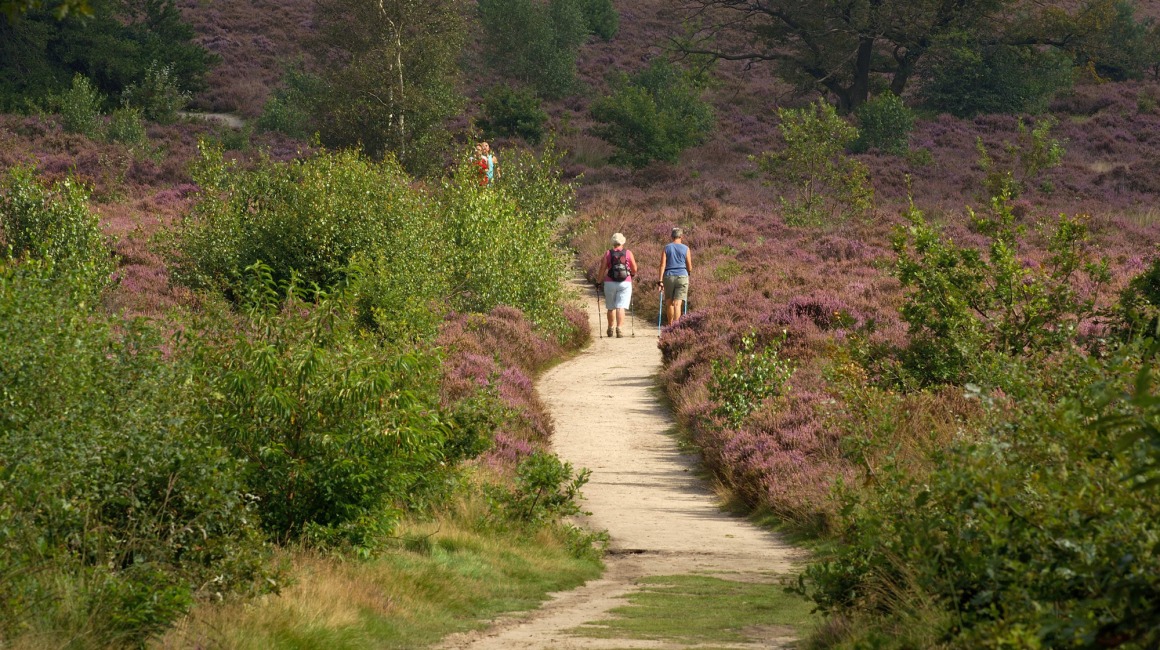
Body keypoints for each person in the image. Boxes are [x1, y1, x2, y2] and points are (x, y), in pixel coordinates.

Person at [597, 232, 638, 338]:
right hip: (625, 282)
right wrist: (631, 274)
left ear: (613, 243)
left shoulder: (608, 253)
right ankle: (619, 328)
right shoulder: (628, 253)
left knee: (611, 307)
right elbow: (634, 268)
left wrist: (598, 282)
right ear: (622, 242)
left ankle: (610, 327)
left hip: (610, 282)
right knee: (621, 307)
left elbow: (602, 268)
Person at [657, 227, 691, 326]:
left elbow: (662, 265)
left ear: (672, 236)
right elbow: (689, 265)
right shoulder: (686, 248)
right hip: (682, 276)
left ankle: (670, 325)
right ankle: (676, 327)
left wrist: (660, 281)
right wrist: (688, 272)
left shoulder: (667, 248)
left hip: (669, 276)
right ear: (681, 236)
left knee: (669, 303)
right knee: (677, 304)